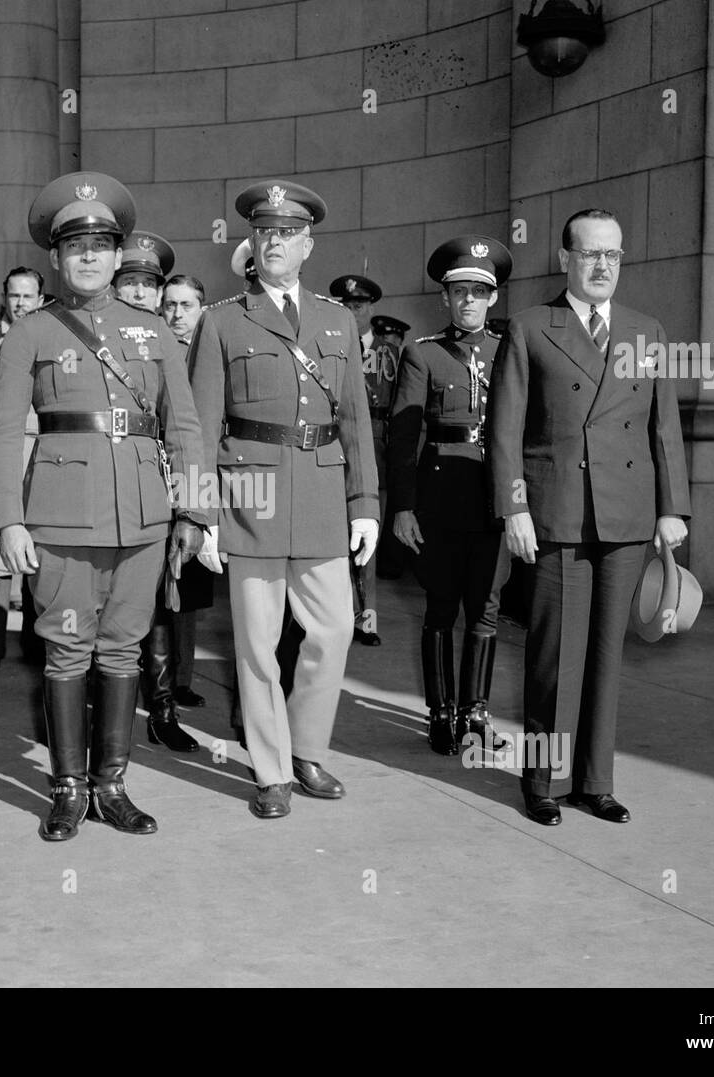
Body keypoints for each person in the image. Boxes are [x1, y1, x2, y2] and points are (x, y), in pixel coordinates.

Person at [0, 171, 206, 841]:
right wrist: (8, 521)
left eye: (101, 244)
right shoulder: (31, 332)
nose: (88, 256)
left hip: (141, 518)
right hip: (60, 518)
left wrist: (195, 511)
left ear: (118, 254)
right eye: (74, 245)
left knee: (123, 651)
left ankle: (112, 784)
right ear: (57, 256)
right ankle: (67, 786)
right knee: (64, 652)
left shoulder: (152, 331)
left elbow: (186, 428)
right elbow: (2, 430)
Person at [487, 208, 691, 827]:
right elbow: (506, 433)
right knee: (555, 656)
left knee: (606, 655)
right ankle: (546, 780)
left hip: (627, 517)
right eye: (591, 254)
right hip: (559, 514)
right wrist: (515, 507)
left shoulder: (646, 331)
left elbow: (665, 429)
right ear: (565, 259)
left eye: (614, 255)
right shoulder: (529, 328)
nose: (603, 266)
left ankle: (594, 781)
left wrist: (671, 507)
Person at [191, 181, 379, 819]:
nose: (273, 242)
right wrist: (202, 516)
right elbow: (200, 427)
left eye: (286, 233)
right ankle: (271, 771)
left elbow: (356, 420)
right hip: (250, 499)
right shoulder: (222, 320)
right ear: (252, 242)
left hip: (324, 496)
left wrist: (366, 504)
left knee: (335, 630)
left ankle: (306, 749)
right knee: (257, 645)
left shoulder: (336, 320)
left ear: (308, 245)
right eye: (263, 232)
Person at [391, 235, 514, 756]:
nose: (468, 301)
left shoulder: (511, 352)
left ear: (492, 300)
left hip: (495, 501)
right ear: (445, 297)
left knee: (486, 609)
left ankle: (476, 712)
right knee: (441, 607)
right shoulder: (422, 355)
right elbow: (403, 439)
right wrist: (401, 506)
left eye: (478, 293)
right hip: (440, 501)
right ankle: (440, 713)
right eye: (458, 291)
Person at [108, 231, 201, 751]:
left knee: (165, 601)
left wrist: (197, 507)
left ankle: (162, 707)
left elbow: (192, 427)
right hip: (109, 482)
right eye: (131, 281)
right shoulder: (90, 336)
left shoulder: (179, 345)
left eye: (149, 283)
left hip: (161, 482)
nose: (141, 292)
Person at [0, 265, 46, 674]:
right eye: (14, 296)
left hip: (43, 444)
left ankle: (37, 641)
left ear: (40, 298)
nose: (21, 303)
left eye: (28, 296)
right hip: (4, 445)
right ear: (5, 298)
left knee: (41, 541)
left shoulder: (52, 333)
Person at [329, 273, 396, 646]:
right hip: (333, 448)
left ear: (371, 308)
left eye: (358, 306)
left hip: (376, 450)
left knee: (368, 534)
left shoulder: (389, 350)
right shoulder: (328, 342)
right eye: (345, 306)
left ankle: (366, 615)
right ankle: (339, 612)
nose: (352, 312)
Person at [163, 273, 214, 710]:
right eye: (171, 305)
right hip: (156, 475)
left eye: (187, 305)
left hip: (197, 477)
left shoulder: (211, 354)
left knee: (189, 586)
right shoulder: (155, 350)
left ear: (202, 309)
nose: (177, 314)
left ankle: (180, 679)